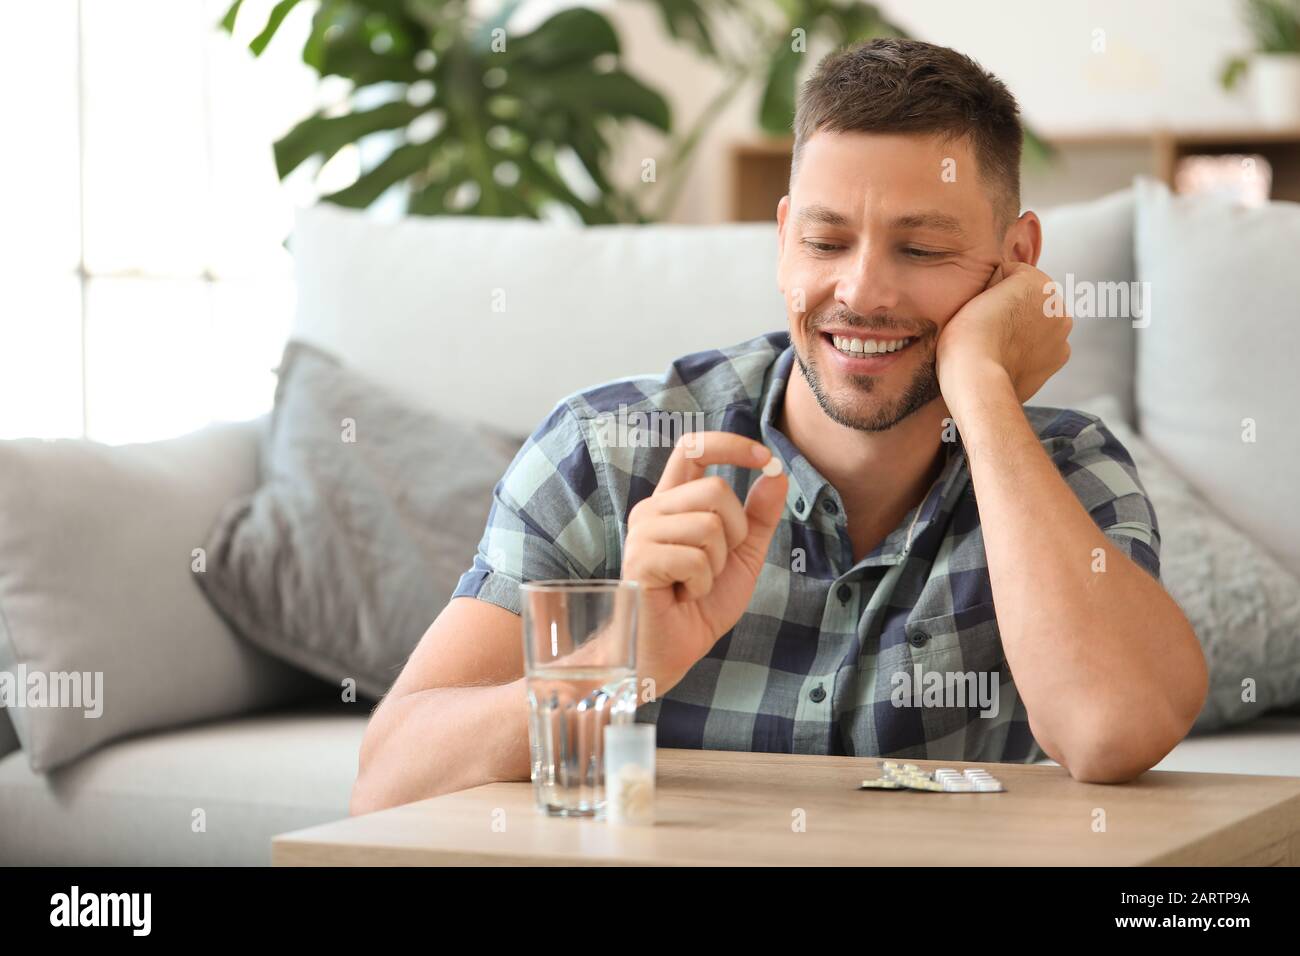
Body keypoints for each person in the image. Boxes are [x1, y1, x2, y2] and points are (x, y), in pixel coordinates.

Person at [350, 38, 1206, 815]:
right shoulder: (603, 456)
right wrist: (623, 659)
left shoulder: (1065, 472)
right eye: (827, 241)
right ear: (784, 239)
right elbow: (388, 778)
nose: (862, 293)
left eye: (921, 250)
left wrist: (981, 387)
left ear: (1017, 261)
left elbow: (1111, 730)